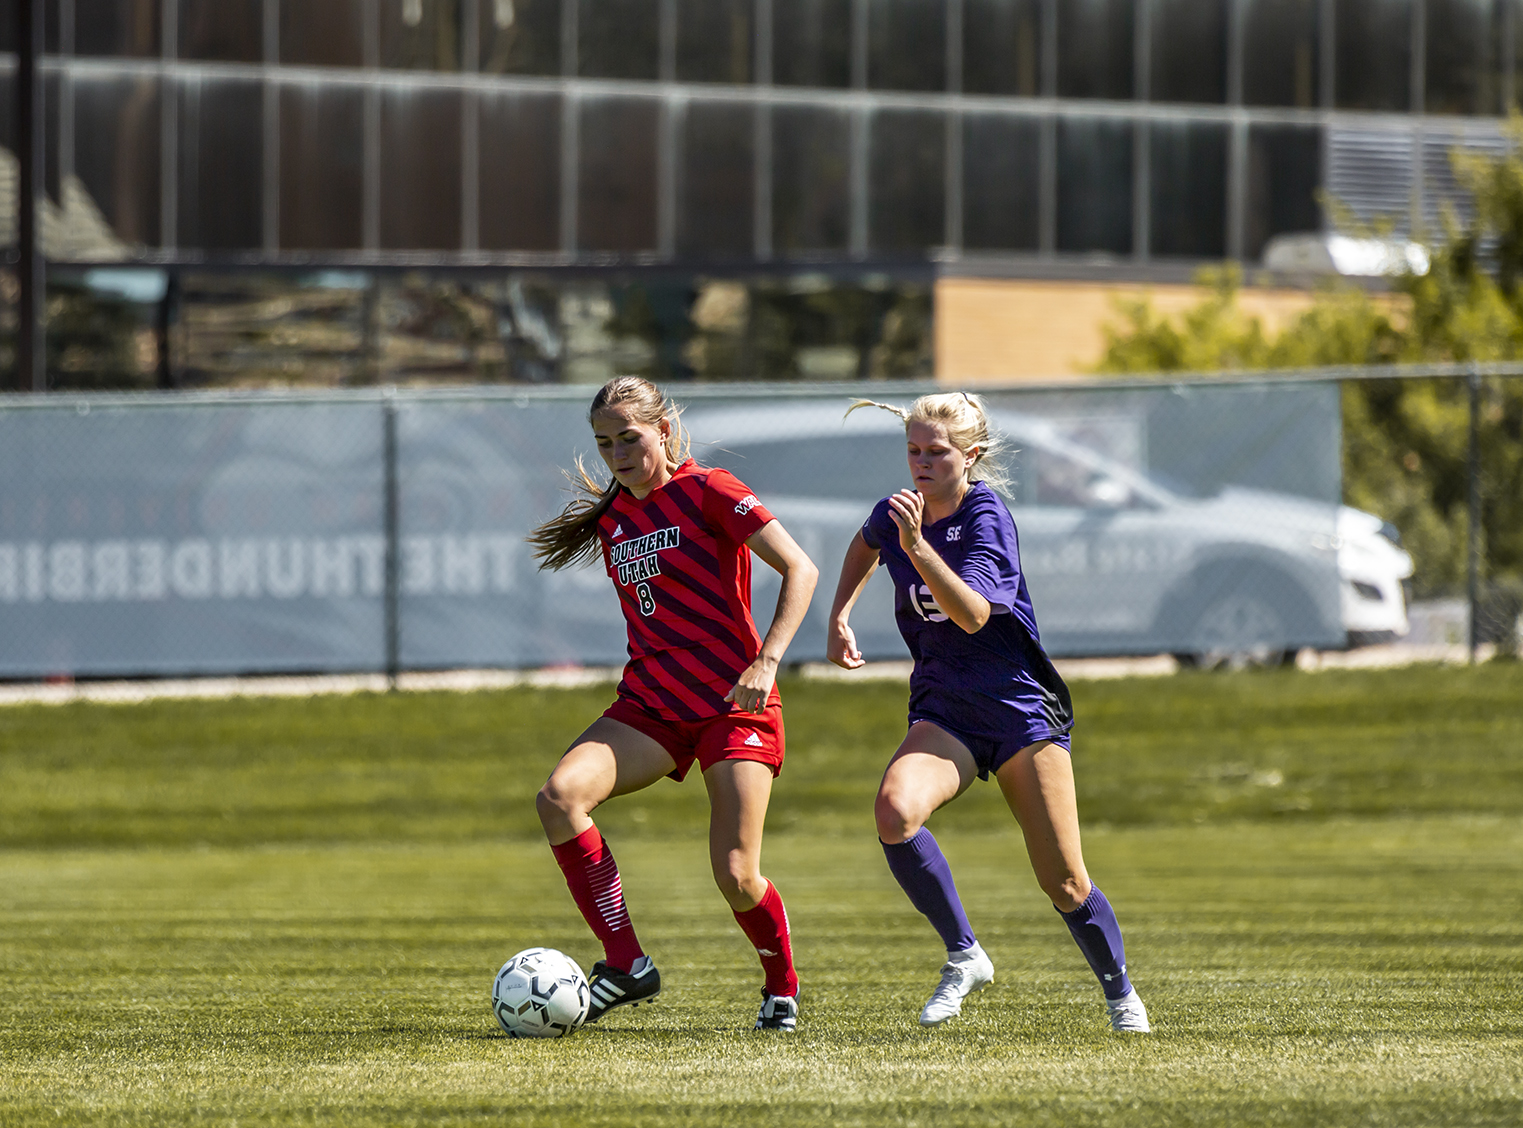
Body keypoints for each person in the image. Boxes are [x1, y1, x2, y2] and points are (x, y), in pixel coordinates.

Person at [826, 392, 1150, 1033]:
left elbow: (973, 614)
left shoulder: (986, 514)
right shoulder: (898, 513)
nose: (921, 462)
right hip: (946, 707)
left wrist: (918, 546)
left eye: (937, 452)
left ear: (970, 456)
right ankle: (964, 954)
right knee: (894, 812)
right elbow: (865, 545)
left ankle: (1121, 995)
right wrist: (839, 614)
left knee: (1063, 881)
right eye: (913, 450)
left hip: (1018, 708)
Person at [528, 376, 819, 1032]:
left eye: (629, 437)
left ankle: (781, 988)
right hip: (653, 707)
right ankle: (626, 964)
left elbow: (800, 569)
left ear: (664, 429)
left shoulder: (710, 490)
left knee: (737, 873)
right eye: (605, 443)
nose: (618, 453)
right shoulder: (613, 519)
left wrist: (766, 662)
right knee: (557, 800)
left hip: (731, 704)